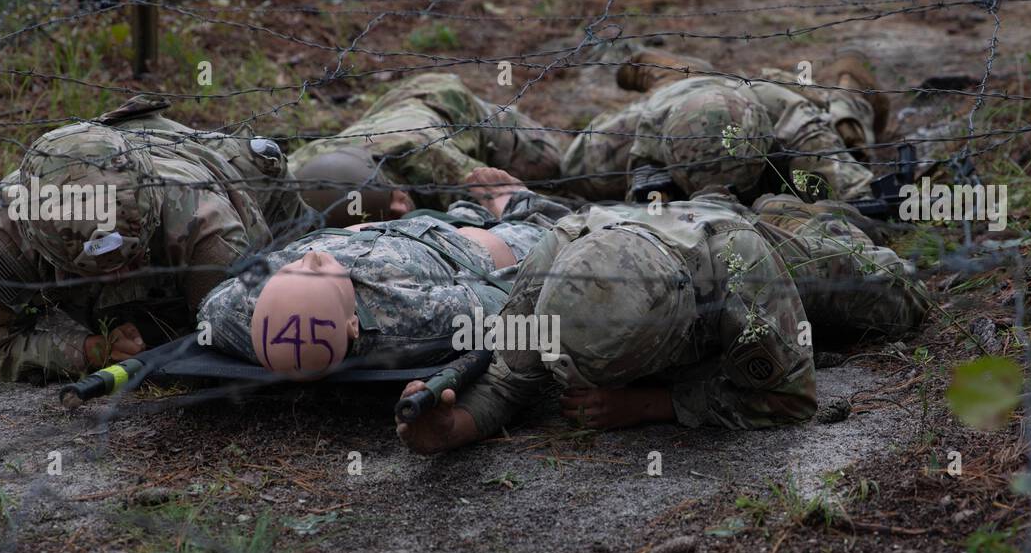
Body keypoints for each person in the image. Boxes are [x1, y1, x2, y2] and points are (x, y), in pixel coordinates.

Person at [395, 191, 927, 453]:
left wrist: (652, 404)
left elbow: (789, 400)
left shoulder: (740, 271)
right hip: (644, 223)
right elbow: (508, 383)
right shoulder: (552, 262)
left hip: (749, 241)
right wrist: (448, 430)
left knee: (899, 299)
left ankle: (809, 215)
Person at [0, 97, 279, 383]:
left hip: (213, 159)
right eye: (91, 271)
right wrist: (88, 351)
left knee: (322, 182)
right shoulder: (4, 231)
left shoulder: (202, 225)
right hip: (101, 154)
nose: (116, 276)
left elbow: (233, 339)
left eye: (130, 258)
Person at [197, 169, 570, 378]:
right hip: (454, 248)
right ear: (352, 327)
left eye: (291, 271)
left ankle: (465, 209)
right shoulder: (415, 318)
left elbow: (209, 304)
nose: (311, 259)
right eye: (322, 278)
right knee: (549, 235)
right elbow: (503, 299)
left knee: (455, 209)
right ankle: (515, 204)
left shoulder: (233, 310)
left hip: (394, 230)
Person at [560, 49, 886, 203]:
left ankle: (851, 90)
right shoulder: (653, 130)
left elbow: (860, 203)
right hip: (673, 102)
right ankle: (672, 74)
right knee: (576, 168)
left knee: (850, 137)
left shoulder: (794, 123)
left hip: (759, 102)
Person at [286, 73, 564, 214]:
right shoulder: (295, 177)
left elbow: (513, 204)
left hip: (449, 103)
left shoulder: (432, 161)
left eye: (394, 195)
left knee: (549, 164)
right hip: (390, 114)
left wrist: (506, 202)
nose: (400, 208)